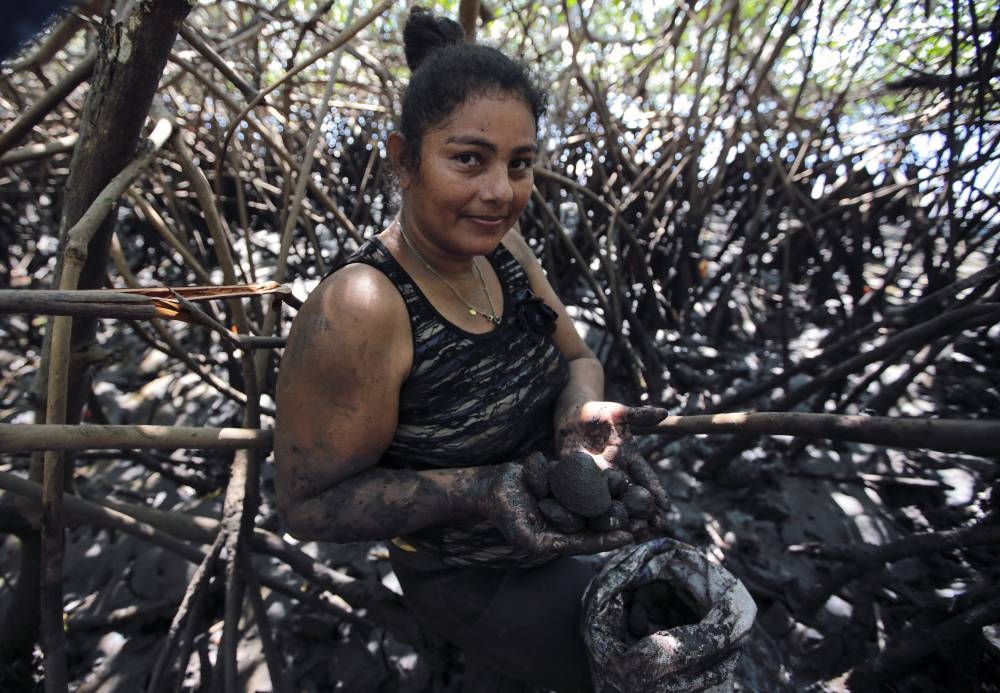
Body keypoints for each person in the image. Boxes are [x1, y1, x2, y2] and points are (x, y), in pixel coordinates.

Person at [274, 8, 670, 691]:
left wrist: (580, 422)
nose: (500, 192)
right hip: (469, 575)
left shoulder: (506, 250)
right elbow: (307, 505)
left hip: (559, 529)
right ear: (403, 159)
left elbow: (577, 358)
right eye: (468, 159)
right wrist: (482, 490)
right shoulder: (362, 306)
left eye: (520, 164)